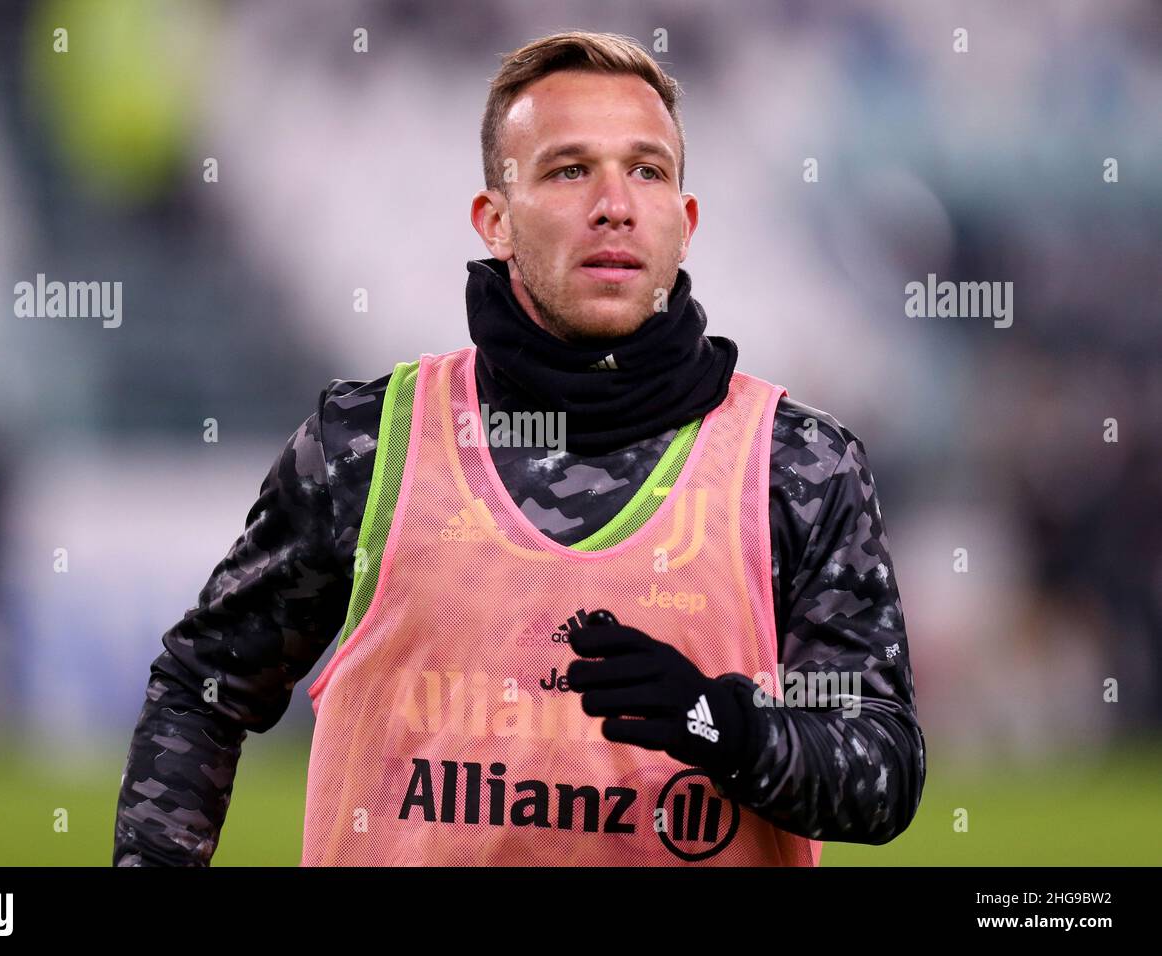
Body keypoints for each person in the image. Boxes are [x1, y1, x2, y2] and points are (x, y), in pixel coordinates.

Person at [114, 30, 925, 866]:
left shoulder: (798, 468)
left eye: (646, 170)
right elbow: (200, 689)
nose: (614, 203)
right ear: (494, 221)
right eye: (570, 170)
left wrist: (720, 723)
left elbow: (884, 775)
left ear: (684, 225)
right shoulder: (366, 447)